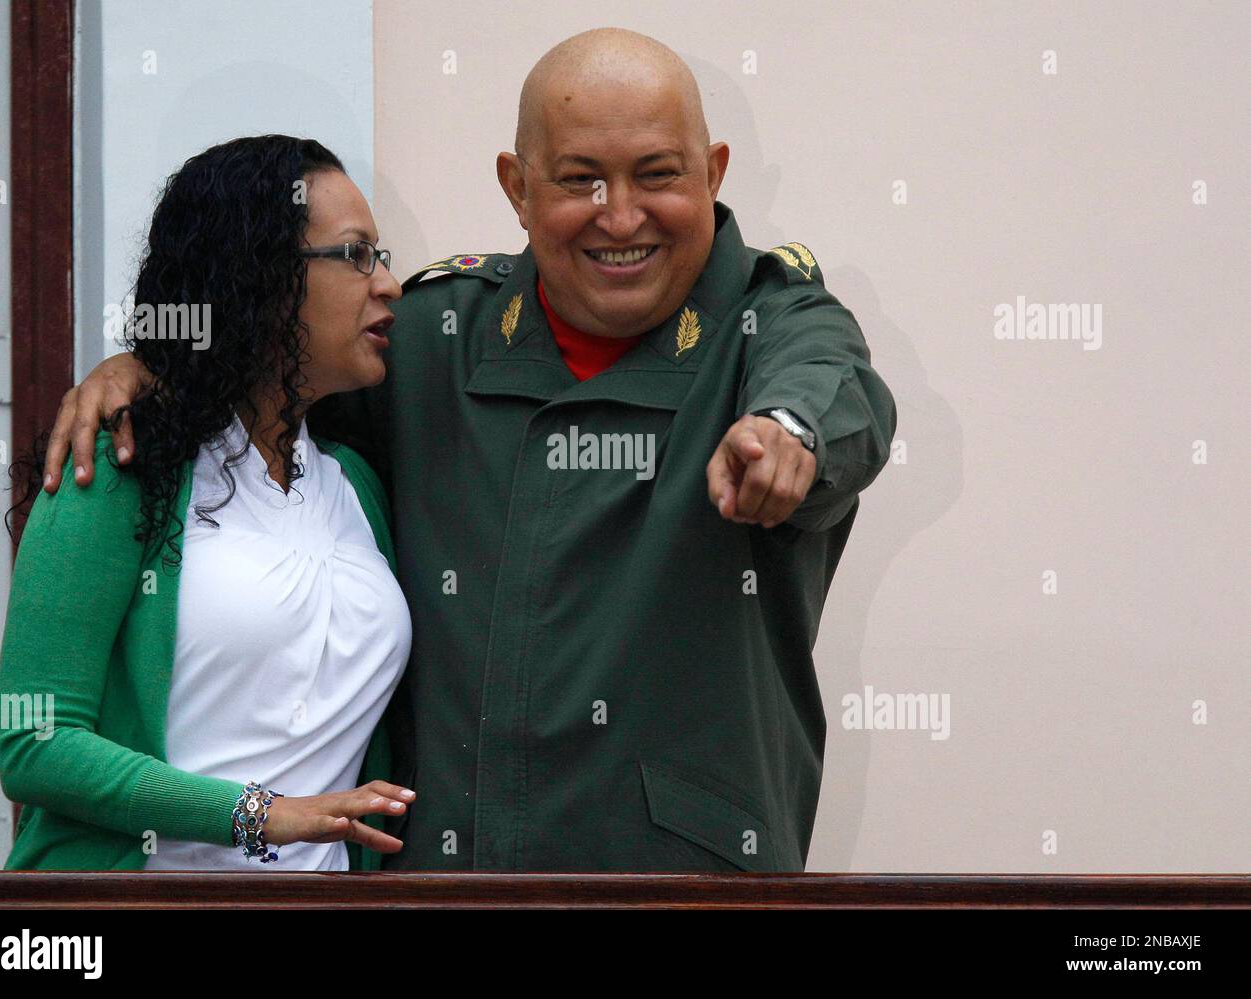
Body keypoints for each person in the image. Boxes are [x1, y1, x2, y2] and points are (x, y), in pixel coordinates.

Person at [44, 29, 897, 872]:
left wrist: (790, 433)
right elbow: (272, 376)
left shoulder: (771, 323)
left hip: (678, 887)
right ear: (517, 188)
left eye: (659, 174)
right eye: (579, 181)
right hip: (438, 888)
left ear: (712, 173)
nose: (621, 214)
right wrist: (153, 367)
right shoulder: (431, 337)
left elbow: (835, 389)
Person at [0, 135, 417, 870]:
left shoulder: (355, 484)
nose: (388, 285)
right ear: (261, 280)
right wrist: (261, 813)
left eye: (380, 258)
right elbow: (34, 740)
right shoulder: (125, 461)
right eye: (356, 256)